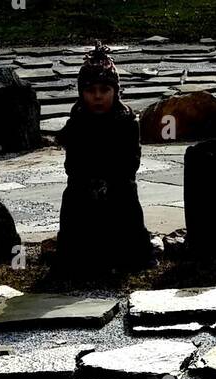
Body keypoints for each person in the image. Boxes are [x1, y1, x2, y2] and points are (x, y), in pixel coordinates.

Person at [55, 42, 153, 279]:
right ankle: (77, 256)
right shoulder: (77, 122)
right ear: (82, 93)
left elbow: (131, 163)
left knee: (122, 198)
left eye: (104, 90)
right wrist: (90, 180)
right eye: (90, 90)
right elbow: (73, 165)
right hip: (84, 187)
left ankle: (126, 254)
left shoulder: (126, 122)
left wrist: (109, 180)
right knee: (76, 198)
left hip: (118, 187)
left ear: (115, 91)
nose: (97, 96)